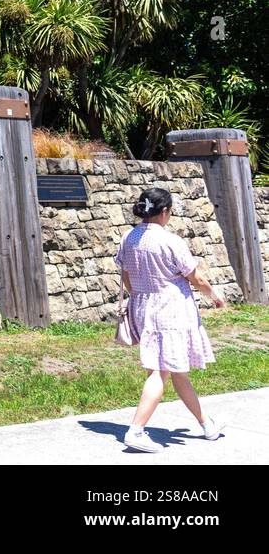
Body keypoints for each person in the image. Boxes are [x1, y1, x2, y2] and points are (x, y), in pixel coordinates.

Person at [115, 186, 227, 453]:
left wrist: (141, 295)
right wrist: (214, 295)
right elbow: (195, 277)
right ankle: (136, 431)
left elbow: (126, 275)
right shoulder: (170, 241)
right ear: (164, 211)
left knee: (176, 369)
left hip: (143, 306)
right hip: (170, 309)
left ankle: (206, 424)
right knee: (160, 371)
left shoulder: (129, 237)